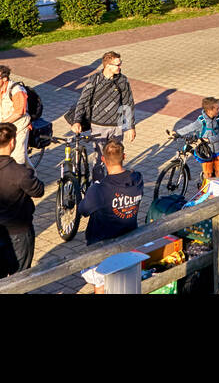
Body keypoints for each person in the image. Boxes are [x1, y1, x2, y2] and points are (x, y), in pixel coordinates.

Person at [0, 122, 45, 282]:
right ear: (12, 142)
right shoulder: (20, 172)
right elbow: (38, 190)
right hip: (18, 231)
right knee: (20, 278)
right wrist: (30, 172)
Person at [78, 140, 144, 291]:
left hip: (102, 246)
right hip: (129, 242)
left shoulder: (99, 189)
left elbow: (83, 210)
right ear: (124, 156)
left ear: (103, 159)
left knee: (100, 286)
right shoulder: (138, 179)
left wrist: (92, 189)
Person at [69, 51, 137, 175]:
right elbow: (83, 101)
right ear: (107, 66)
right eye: (117, 64)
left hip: (116, 126)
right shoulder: (94, 80)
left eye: (120, 64)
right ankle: (98, 185)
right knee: (100, 159)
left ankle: (113, 183)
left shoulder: (122, 80)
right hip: (98, 126)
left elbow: (127, 103)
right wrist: (76, 121)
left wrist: (130, 127)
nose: (120, 67)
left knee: (115, 159)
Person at [192, 97, 219, 184]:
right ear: (209, 110)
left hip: (218, 150)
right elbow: (190, 127)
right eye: (217, 108)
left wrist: (209, 140)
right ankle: (208, 192)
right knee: (208, 174)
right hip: (206, 152)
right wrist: (177, 133)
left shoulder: (218, 119)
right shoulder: (202, 121)